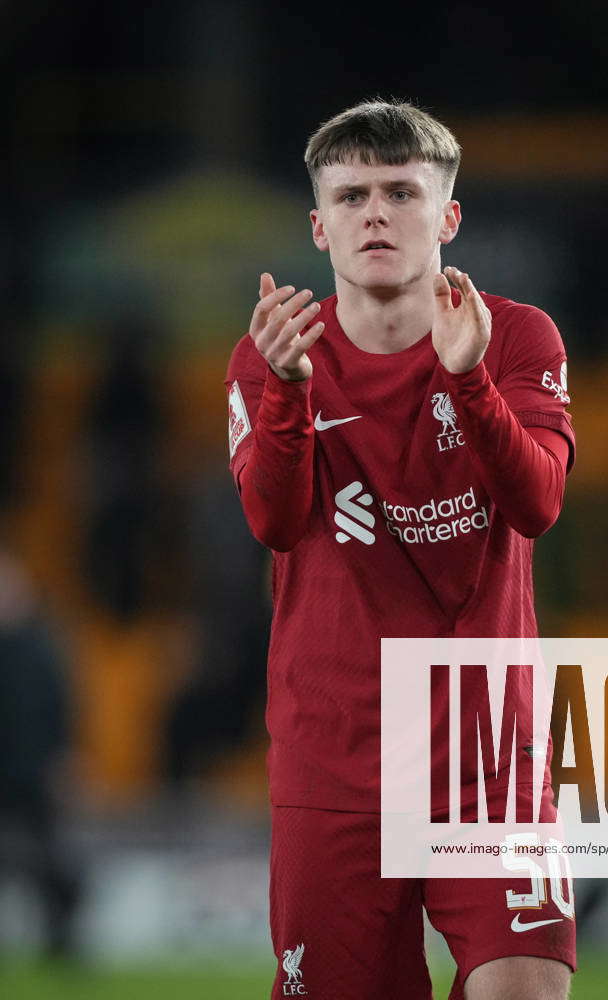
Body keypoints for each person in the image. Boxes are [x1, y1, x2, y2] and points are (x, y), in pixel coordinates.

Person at [225, 99, 576, 1000]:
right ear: (318, 225)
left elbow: (537, 503)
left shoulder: (515, 337)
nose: (373, 213)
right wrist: (288, 394)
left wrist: (469, 380)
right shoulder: (270, 356)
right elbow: (272, 520)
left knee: (527, 989)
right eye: (349, 196)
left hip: (484, 756)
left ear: (447, 216)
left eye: (399, 191)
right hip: (336, 754)